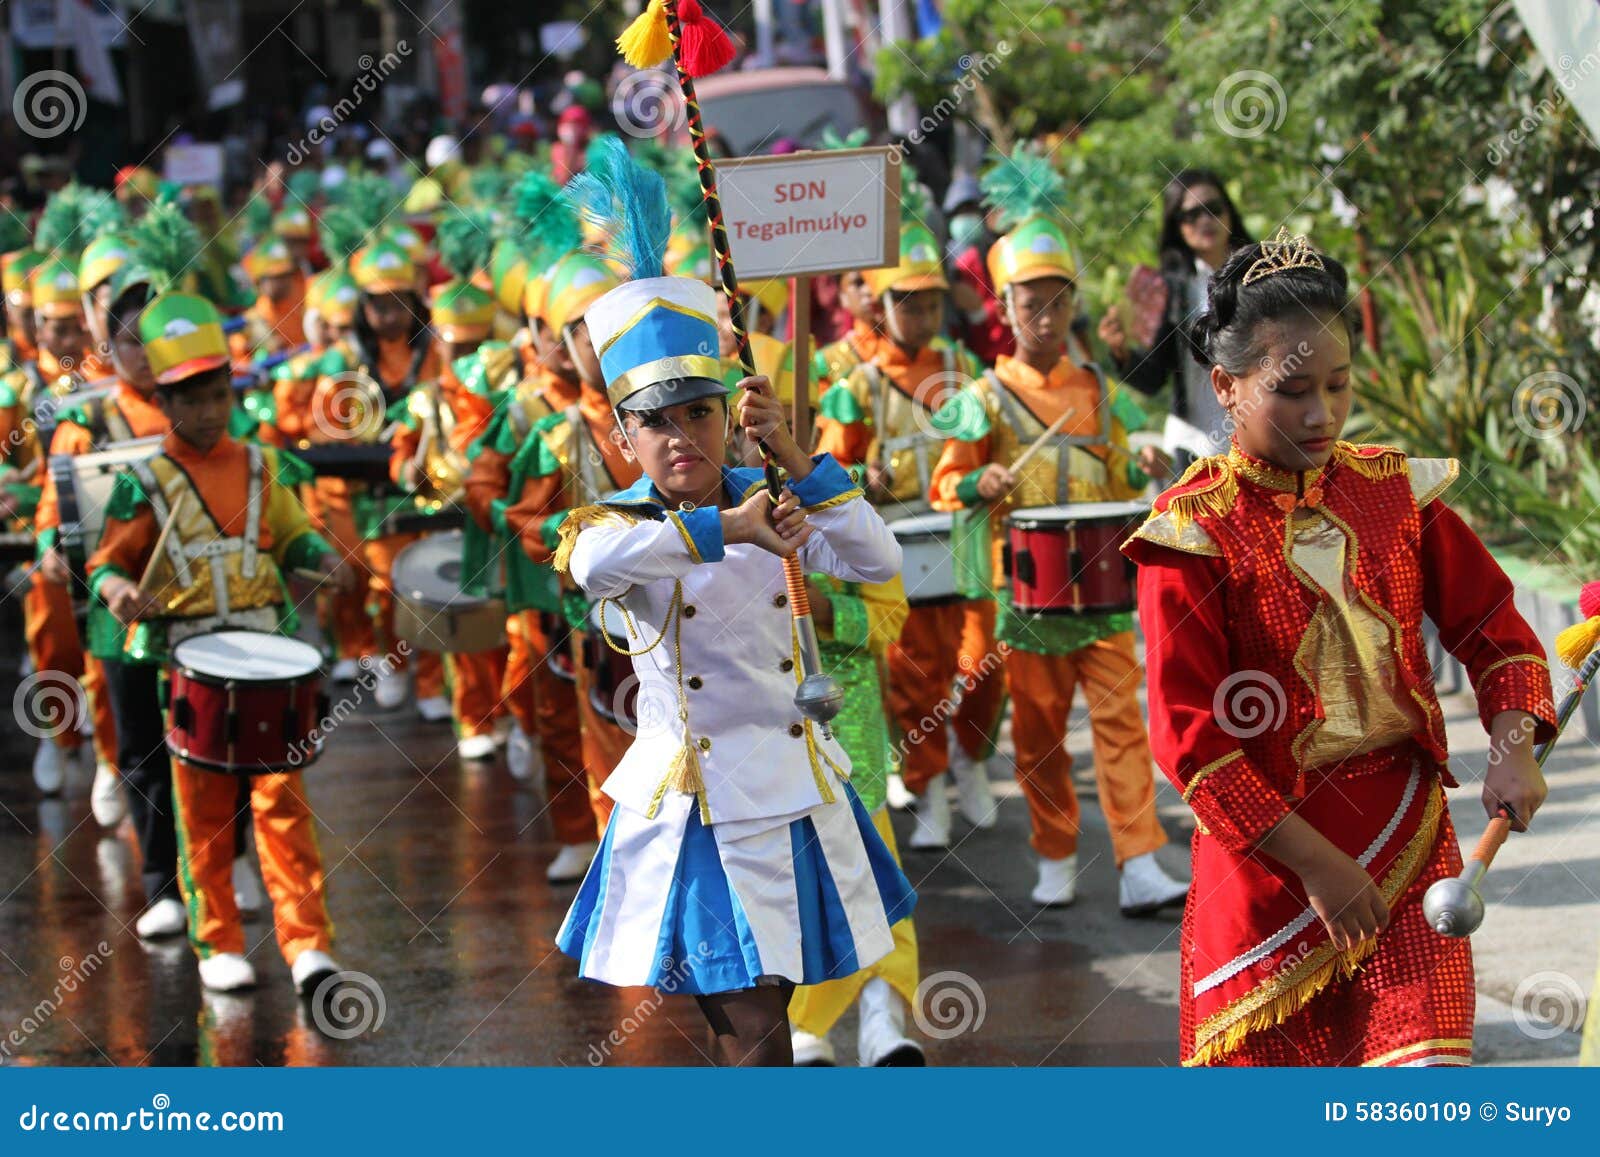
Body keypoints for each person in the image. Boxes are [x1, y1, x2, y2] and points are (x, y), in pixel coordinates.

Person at [1122, 229, 1555, 1066]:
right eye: (1291, 391)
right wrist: (1316, 865)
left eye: (1339, 385)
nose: (1321, 414)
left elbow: (1496, 632)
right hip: (1267, 875)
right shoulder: (1194, 532)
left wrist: (1514, 747)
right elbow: (1189, 740)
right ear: (1226, 385)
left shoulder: (1395, 493)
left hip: (1407, 834)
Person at [552, 141, 913, 1066]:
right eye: (657, 423)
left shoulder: (776, 490)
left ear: (728, 413)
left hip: (797, 793)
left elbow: (875, 556)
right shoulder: (609, 525)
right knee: (753, 1030)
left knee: (767, 1027)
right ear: (625, 437)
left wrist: (793, 455)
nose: (682, 438)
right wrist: (730, 529)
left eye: (700, 414)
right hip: (699, 814)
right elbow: (599, 566)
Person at [928, 148, 1189, 912]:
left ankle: (1140, 857)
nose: (1043, 318)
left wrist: (1140, 455)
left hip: (1103, 588)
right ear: (1004, 308)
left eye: (1056, 303)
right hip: (1029, 592)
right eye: (1028, 304)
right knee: (1039, 734)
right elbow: (946, 484)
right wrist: (981, 481)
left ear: (1073, 303)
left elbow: (1123, 475)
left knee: (1120, 724)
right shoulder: (984, 393)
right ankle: (1054, 849)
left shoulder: (1102, 391)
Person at [88, 286, 356, 994]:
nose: (205, 411)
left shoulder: (265, 465)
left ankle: (306, 941)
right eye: (189, 399)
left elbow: (293, 533)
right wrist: (118, 591)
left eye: (216, 396)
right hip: (189, 663)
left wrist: (319, 561)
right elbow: (108, 562)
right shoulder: (143, 480)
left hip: (267, 657)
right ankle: (218, 939)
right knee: (202, 809)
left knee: (282, 801)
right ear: (167, 402)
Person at [814, 209, 1003, 848]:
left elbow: (988, 440)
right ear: (881, 305)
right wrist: (855, 477)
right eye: (906, 303)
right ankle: (926, 788)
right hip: (901, 550)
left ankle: (973, 761)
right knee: (917, 672)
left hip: (965, 537)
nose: (919, 316)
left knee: (982, 664)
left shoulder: (962, 369)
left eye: (930, 304)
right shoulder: (858, 385)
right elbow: (828, 473)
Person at [787, 570, 925, 1065]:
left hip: (848, 712)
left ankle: (880, 1014)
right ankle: (800, 1020)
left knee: (873, 869)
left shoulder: (849, 506)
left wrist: (828, 610)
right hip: (760, 717)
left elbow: (891, 616)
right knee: (788, 874)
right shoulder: (724, 500)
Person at [1098, 169, 1253, 471]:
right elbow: (1154, 379)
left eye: (1213, 209)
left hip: (1258, 438)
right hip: (1192, 446)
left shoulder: (1259, 275)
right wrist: (1121, 352)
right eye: (1191, 215)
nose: (1205, 221)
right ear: (1177, 226)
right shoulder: (1167, 289)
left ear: (1229, 212)